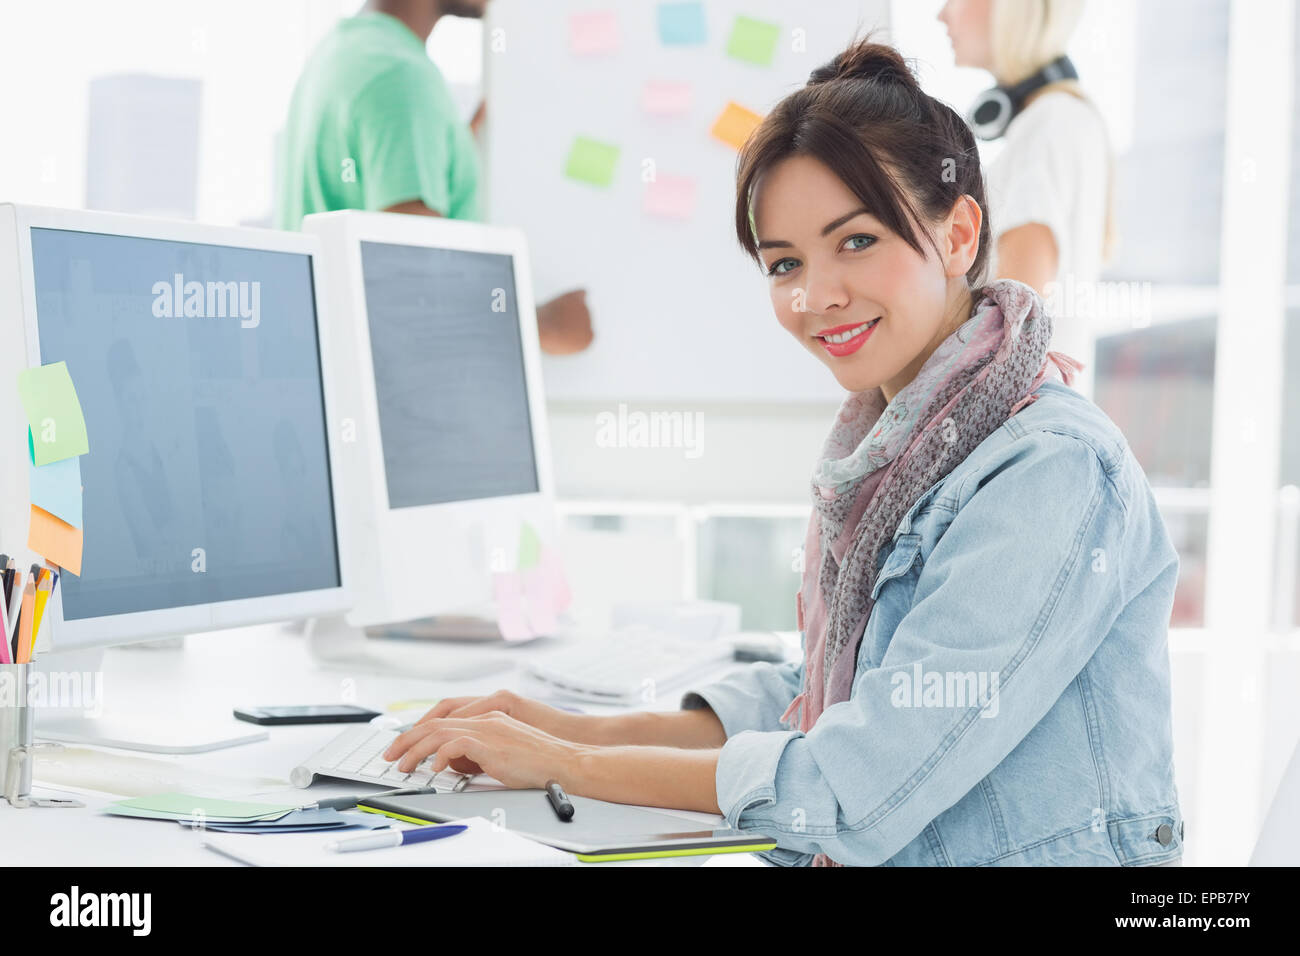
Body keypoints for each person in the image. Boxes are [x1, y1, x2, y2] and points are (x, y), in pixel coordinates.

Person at [381, 37, 1183, 867]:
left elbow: (849, 789)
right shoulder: (897, 443)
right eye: (785, 263)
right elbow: (820, 698)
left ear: (959, 231)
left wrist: (569, 766)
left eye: (857, 241)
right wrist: (555, 724)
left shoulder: (1048, 472)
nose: (816, 295)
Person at [275, 0, 593, 355]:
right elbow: (414, 278)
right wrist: (539, 324)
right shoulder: (400, 75)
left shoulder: (342, 52)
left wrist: (443, 165)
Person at [939, 0, 1114, 398]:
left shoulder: (1047, 126)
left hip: (1019, 422)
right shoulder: (1063, 118)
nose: (943, 14)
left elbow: (1016, 323)